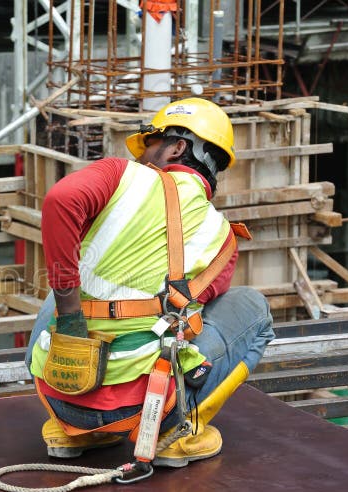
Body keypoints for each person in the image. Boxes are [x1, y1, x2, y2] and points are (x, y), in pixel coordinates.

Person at [25, 97, 275, 467]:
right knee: (251, 308)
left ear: (178, 145)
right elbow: (192, 313)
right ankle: (176, 434)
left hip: (63, 393)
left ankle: (76, 432)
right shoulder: (222, 235)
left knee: (67, 284)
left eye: (150, 144)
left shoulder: (119, 177)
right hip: (148, 406)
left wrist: (70, 314)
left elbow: (61, 199)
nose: (142, 156)